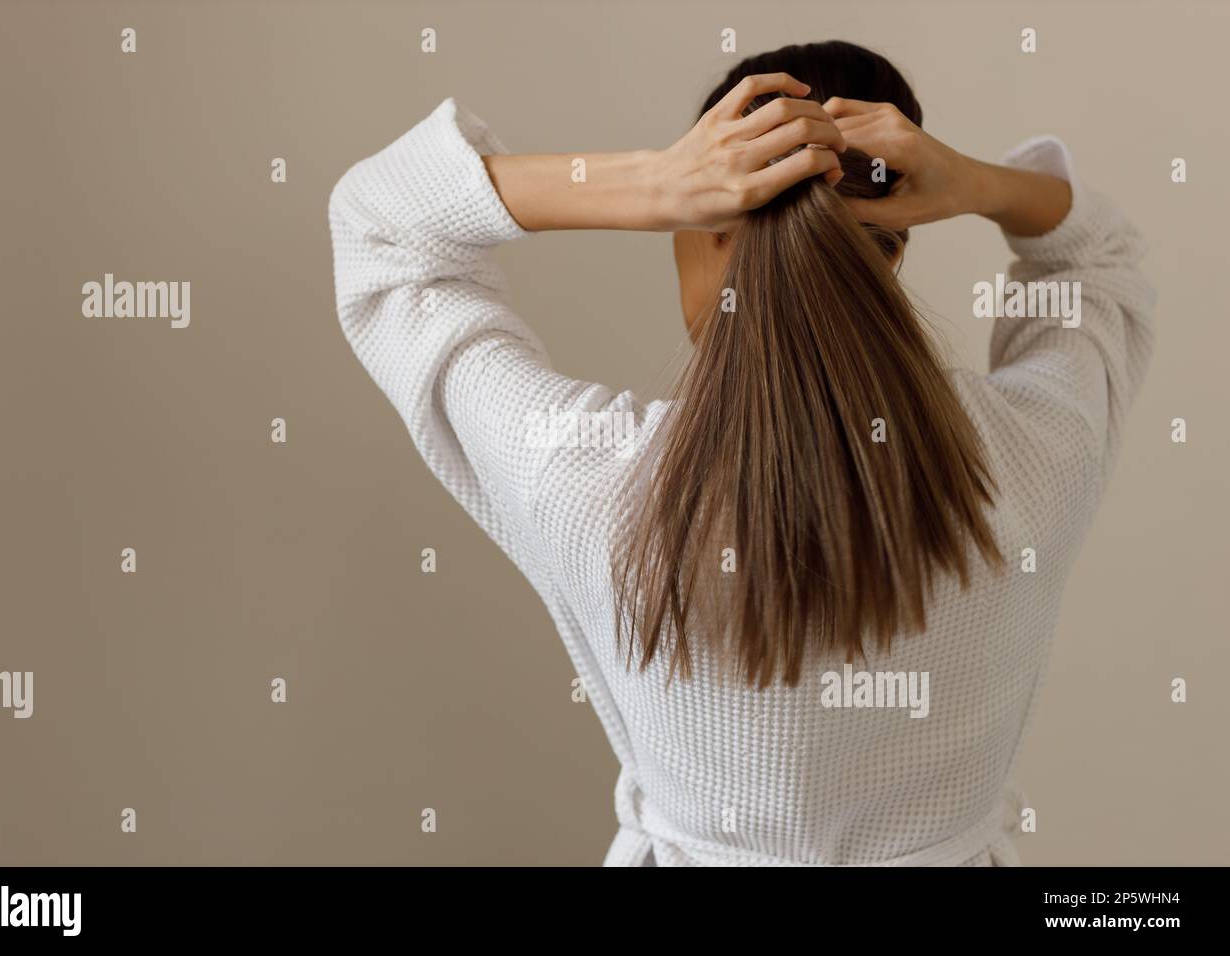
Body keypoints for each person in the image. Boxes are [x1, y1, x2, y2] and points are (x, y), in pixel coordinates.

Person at [328, 40, 1154, 866]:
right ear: (896, 246)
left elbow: (380, 228)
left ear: (705, 228)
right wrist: (981, 186)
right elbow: (1098, 258)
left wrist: (652, 183)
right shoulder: (1034, 454)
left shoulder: (592, 478)